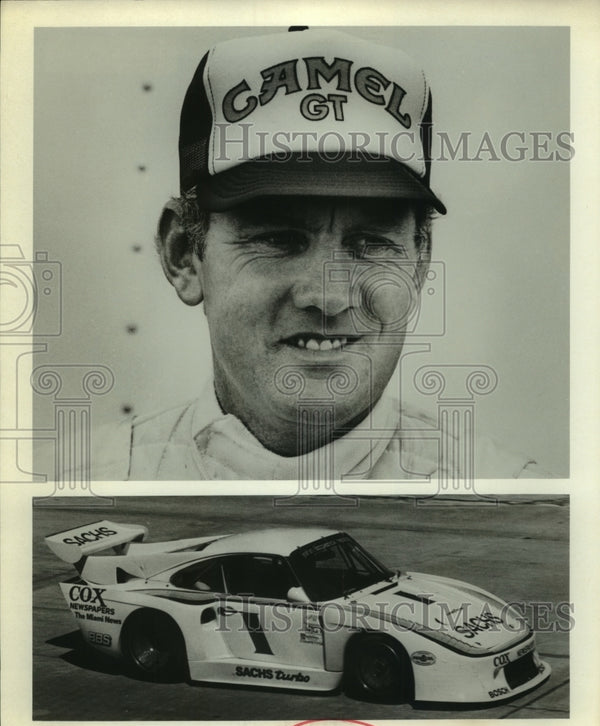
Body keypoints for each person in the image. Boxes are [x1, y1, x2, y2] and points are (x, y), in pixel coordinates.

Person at [89, 27, 544, 481]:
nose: (327, 297)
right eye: (278, 239)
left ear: (419, 261)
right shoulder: (74, 485)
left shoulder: (520, 505)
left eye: (370, 244)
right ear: (185, 255)